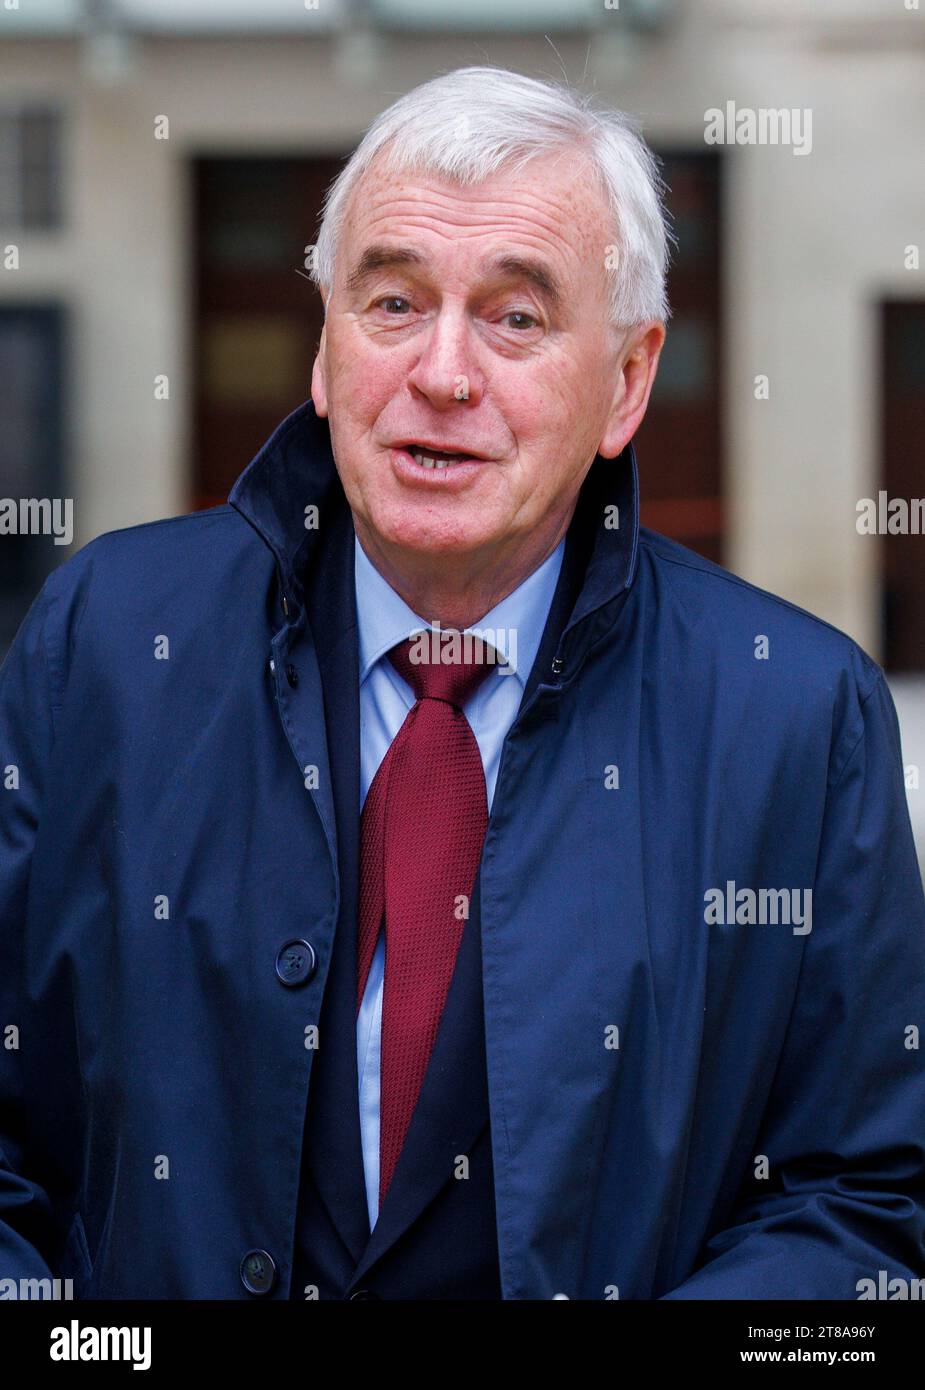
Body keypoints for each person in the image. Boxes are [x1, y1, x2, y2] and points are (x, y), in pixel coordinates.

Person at [1, 66, 923, 1302]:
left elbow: (863, 1198)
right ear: (326, 350)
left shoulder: (797, 716)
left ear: (629, 381)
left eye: (517, 318)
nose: (442, 372)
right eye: (392, 301)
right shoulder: (103, 644)